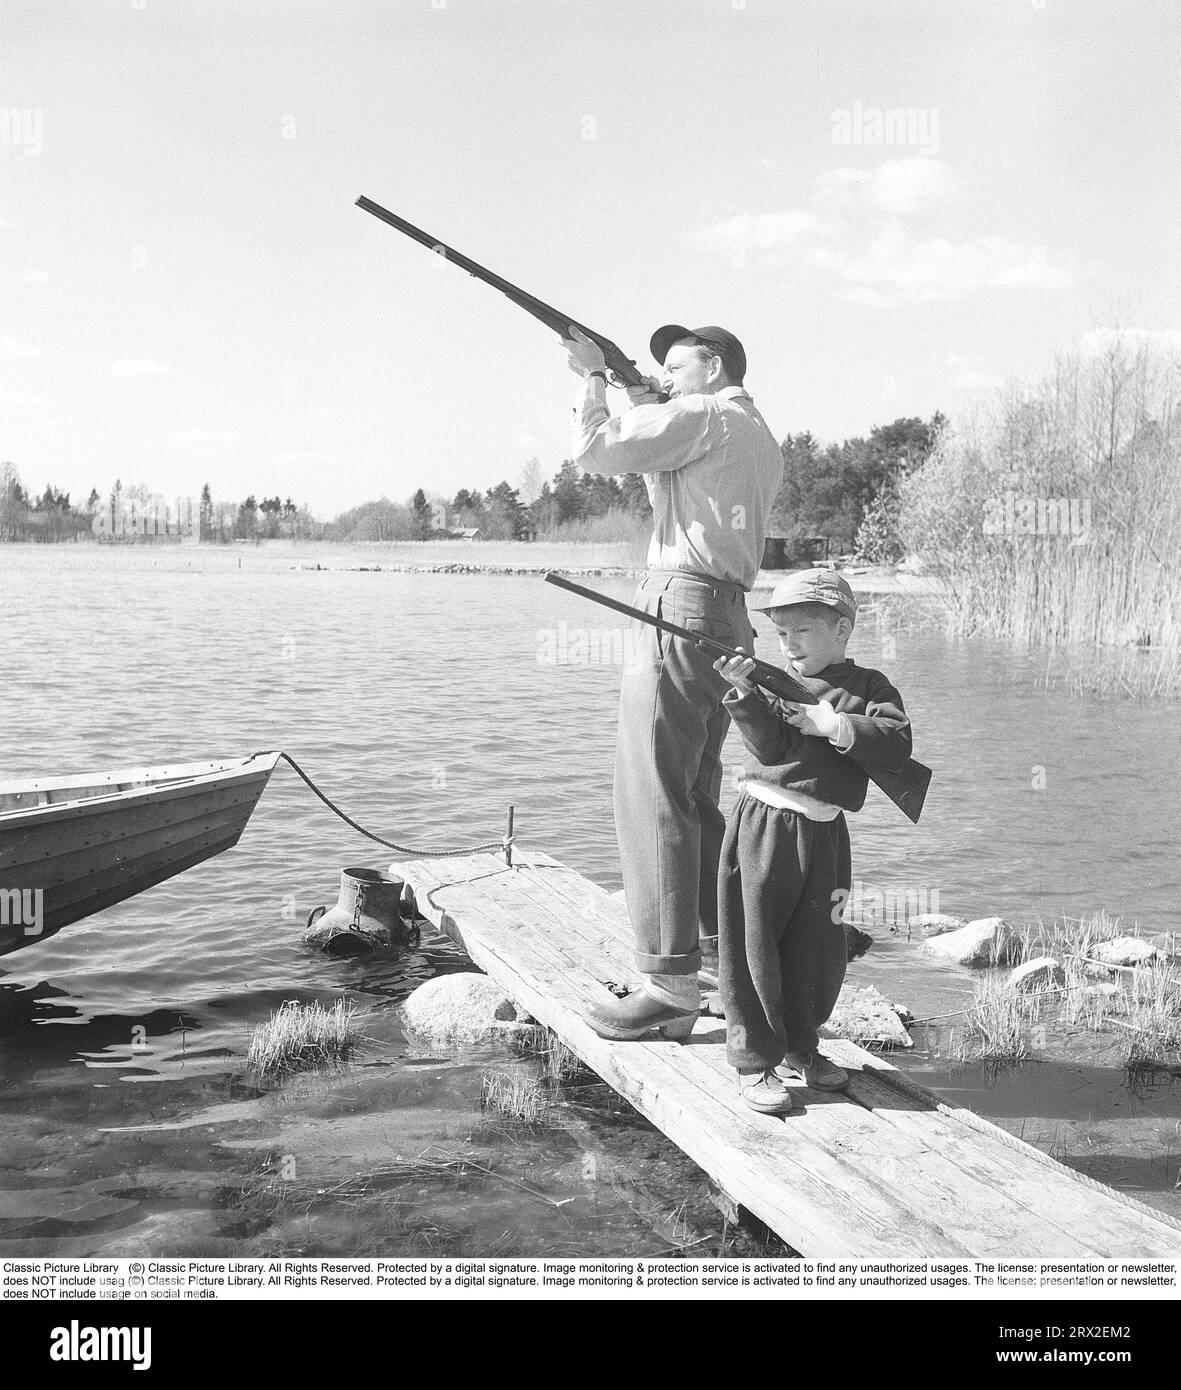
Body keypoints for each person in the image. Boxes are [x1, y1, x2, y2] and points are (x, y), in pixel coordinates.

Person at [561, 323, 783, 1040]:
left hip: (680, 602)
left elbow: (596, 451)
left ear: (713, 365)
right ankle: (714, 969)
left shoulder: (705, 414)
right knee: (693, 795)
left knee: (650, 793)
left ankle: (667, 987)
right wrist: (639, 390)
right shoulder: (752, 431)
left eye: (675, 364)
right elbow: (673, 467)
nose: (666, 374)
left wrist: (591, 379)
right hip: (725, 616)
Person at [712, 569, 913, 1114]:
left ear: (842, 628)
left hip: (825, 834)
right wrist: (746, 695)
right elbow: (771, 750)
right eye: (780, 634)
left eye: (800, 630)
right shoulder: (776, 684)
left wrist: (830, 723)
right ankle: (754, 1061)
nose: (788, 643)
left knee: (818, 947)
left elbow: (895, 744)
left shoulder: (871, 687)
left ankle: (802, 1046)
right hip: (764, 827)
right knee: (753, 942)